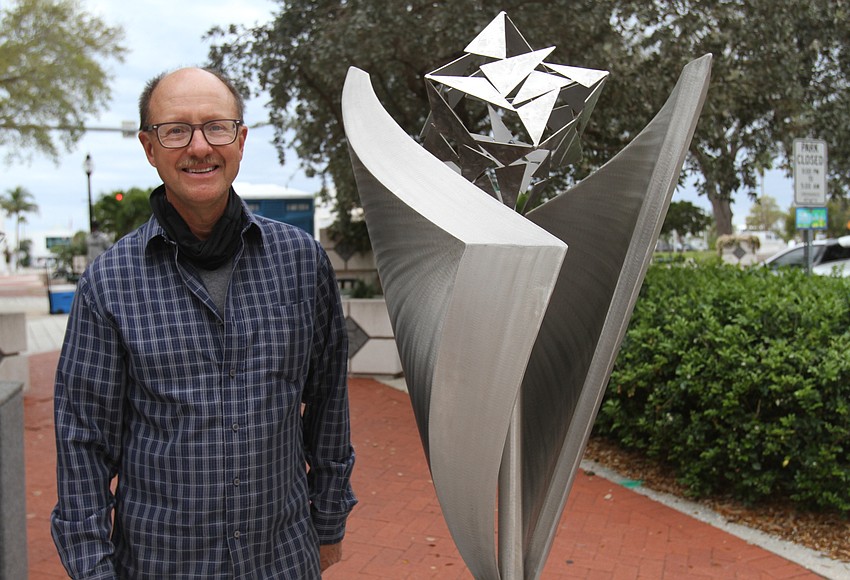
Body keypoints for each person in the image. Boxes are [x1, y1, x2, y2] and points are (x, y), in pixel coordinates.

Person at [51, 67, 356, 578]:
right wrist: (90, 566)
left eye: (216, 126)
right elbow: (83, 442)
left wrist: (329, 521)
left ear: (240, 139)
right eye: (176, 130)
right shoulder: (108, 283)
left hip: (281, 559)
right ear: (150, 148)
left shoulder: (302, 262)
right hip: (159, 564)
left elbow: (328, 403)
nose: (199, 147)